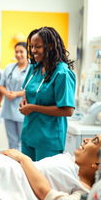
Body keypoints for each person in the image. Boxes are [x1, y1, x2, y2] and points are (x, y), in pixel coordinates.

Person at [20, 27, 76, 161]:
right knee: (26, 178)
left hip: (49, 139)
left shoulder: (62, 73)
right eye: (31, 46)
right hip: (29, 133)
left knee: (43, 179)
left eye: (37, 47)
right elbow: (27, 90)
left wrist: (33, 108)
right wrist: (24, 101)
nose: (33, 51)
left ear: (50, 46)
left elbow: (67, 110)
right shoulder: (35, 68)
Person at [3, 135, 101, 200]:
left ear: (98, 163)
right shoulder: (70, 160)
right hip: (8, 167)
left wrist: (23, 159)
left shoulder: (83, 189)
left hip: (10, 179)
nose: (86, 139)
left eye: (94, 141)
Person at [0, 42, 29, 150]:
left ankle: (22, 163)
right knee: (12, 142)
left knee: (23, 141)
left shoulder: (33, 69)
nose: (18, 54)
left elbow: (32, 89)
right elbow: (1, 85)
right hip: (8, 110)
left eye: (21, 51)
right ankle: (13, 164)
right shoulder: (9, 67)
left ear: (27, 53)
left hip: (23, 109)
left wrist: (17, 94)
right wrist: (6, 92)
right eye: (16, 52)